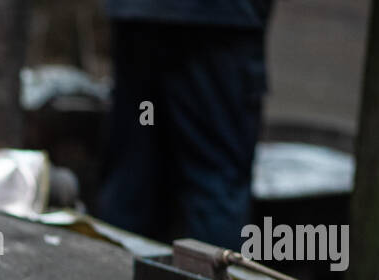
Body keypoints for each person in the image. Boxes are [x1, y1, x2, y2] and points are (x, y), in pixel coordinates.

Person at [96, 0, 273, 249]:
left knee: (134, 172)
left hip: (141, 16)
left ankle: (109, 278)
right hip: (218, 23)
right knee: (214, 184)